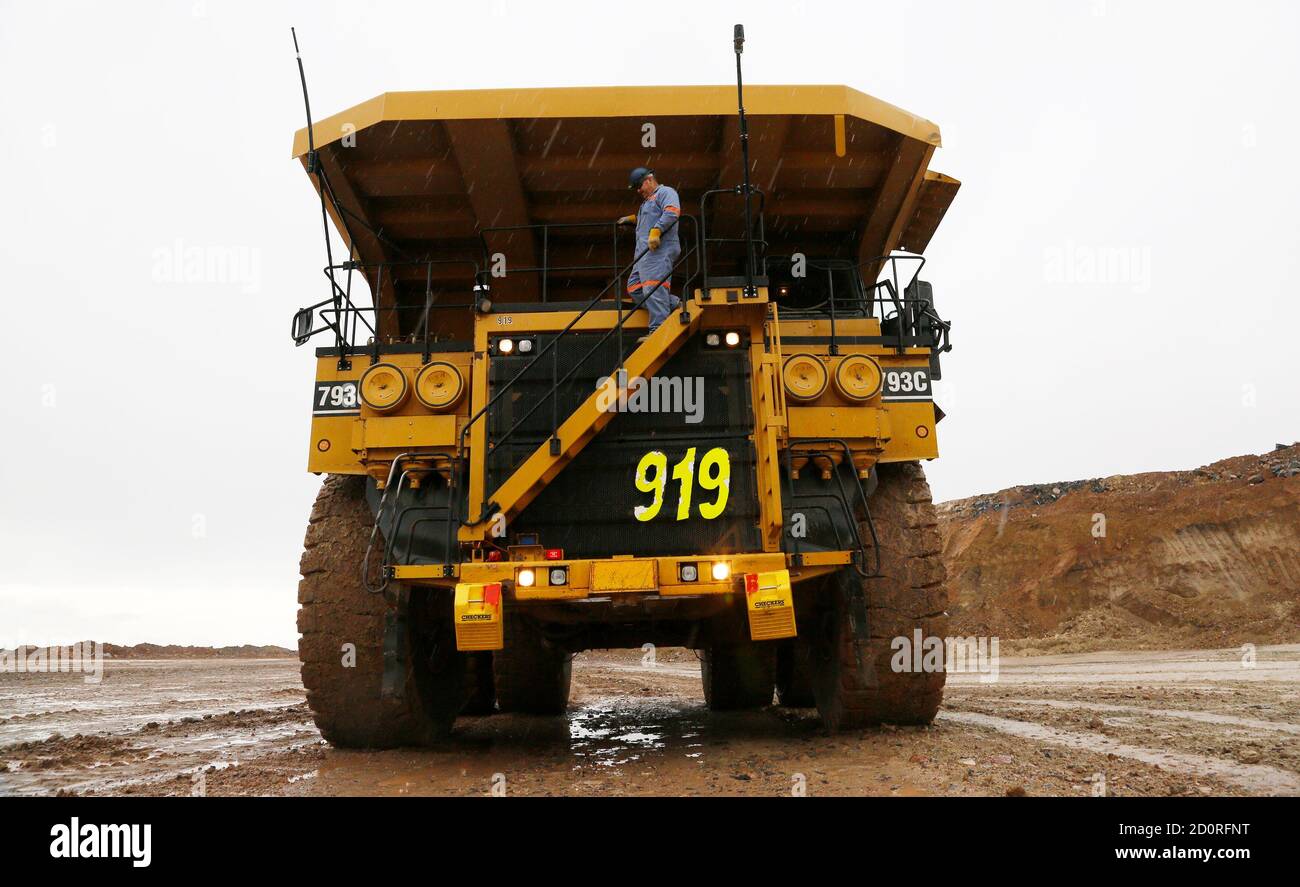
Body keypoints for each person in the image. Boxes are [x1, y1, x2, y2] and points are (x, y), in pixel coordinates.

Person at [618, 167, 681, 340]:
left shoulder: (666, 192)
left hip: (658, 251)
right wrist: (633, 221)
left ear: (649, 179)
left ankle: (658, 330)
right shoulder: (647, 202)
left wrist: (656, 231)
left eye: (639, 186)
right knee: (634, 288)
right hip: (644, 255)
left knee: (653, 286)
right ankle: (674, 303)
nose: (639, 190)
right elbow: (651, 218)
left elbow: (672, 212)